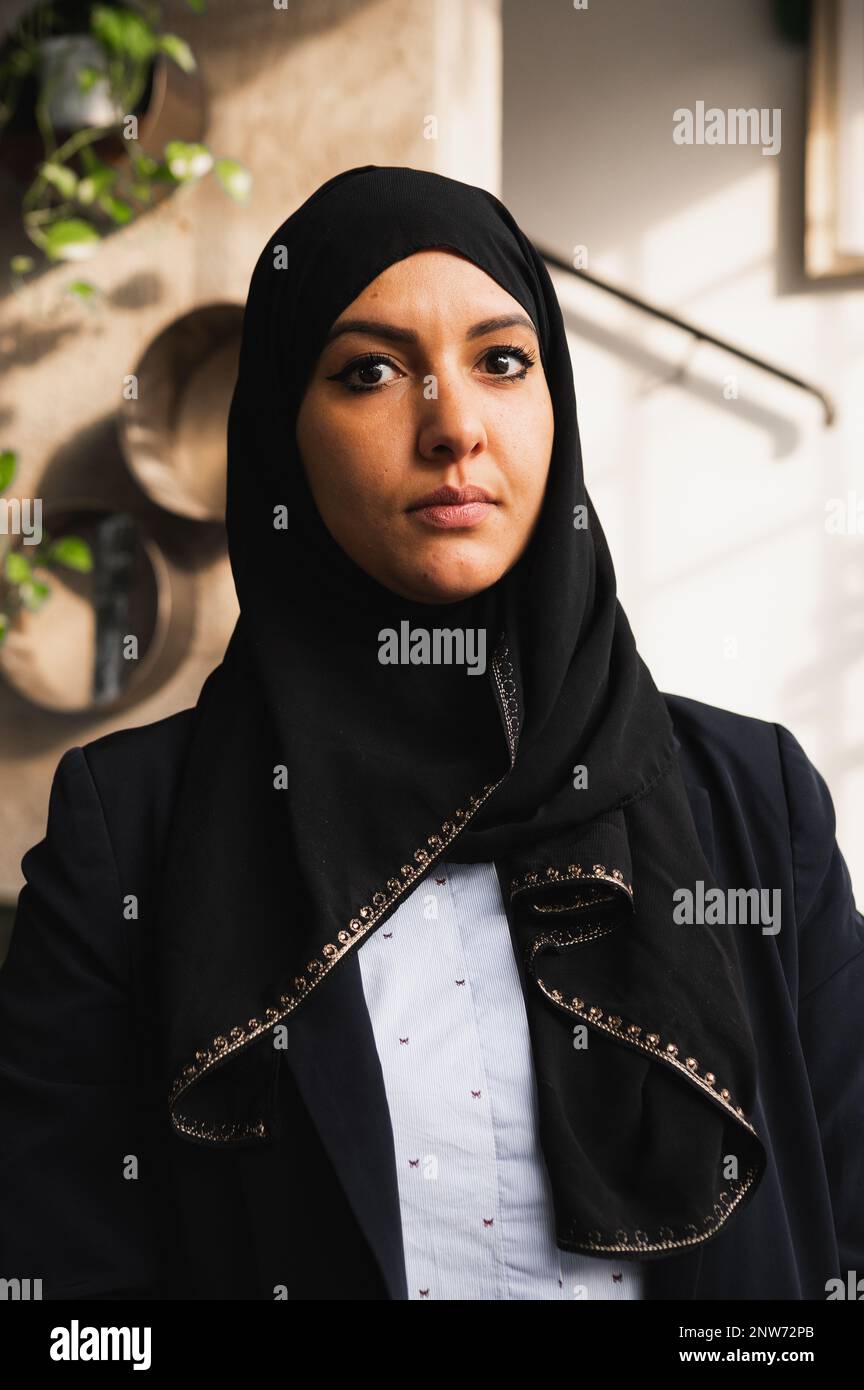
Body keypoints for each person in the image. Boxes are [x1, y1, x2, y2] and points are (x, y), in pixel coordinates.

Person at [0, 165, 861, 1302]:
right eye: (369, 372)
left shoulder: (755, 799)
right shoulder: (134, 830)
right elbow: (67, 1292)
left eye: (503, 361)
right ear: (280, 435)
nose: (454, 426)